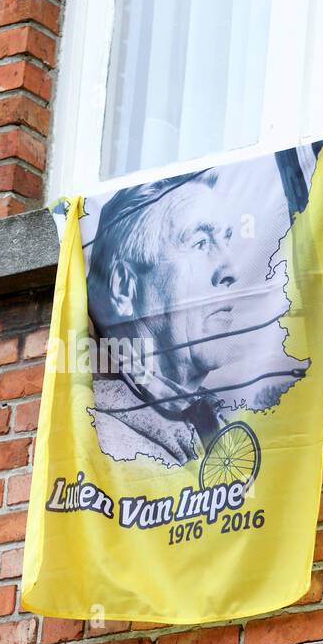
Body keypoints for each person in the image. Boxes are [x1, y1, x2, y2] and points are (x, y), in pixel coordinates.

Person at [86, 170, 241, 466]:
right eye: (200, 243)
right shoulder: (98, 438)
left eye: (226, 239)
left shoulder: (218, 430)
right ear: (123, 287)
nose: (230, 269)